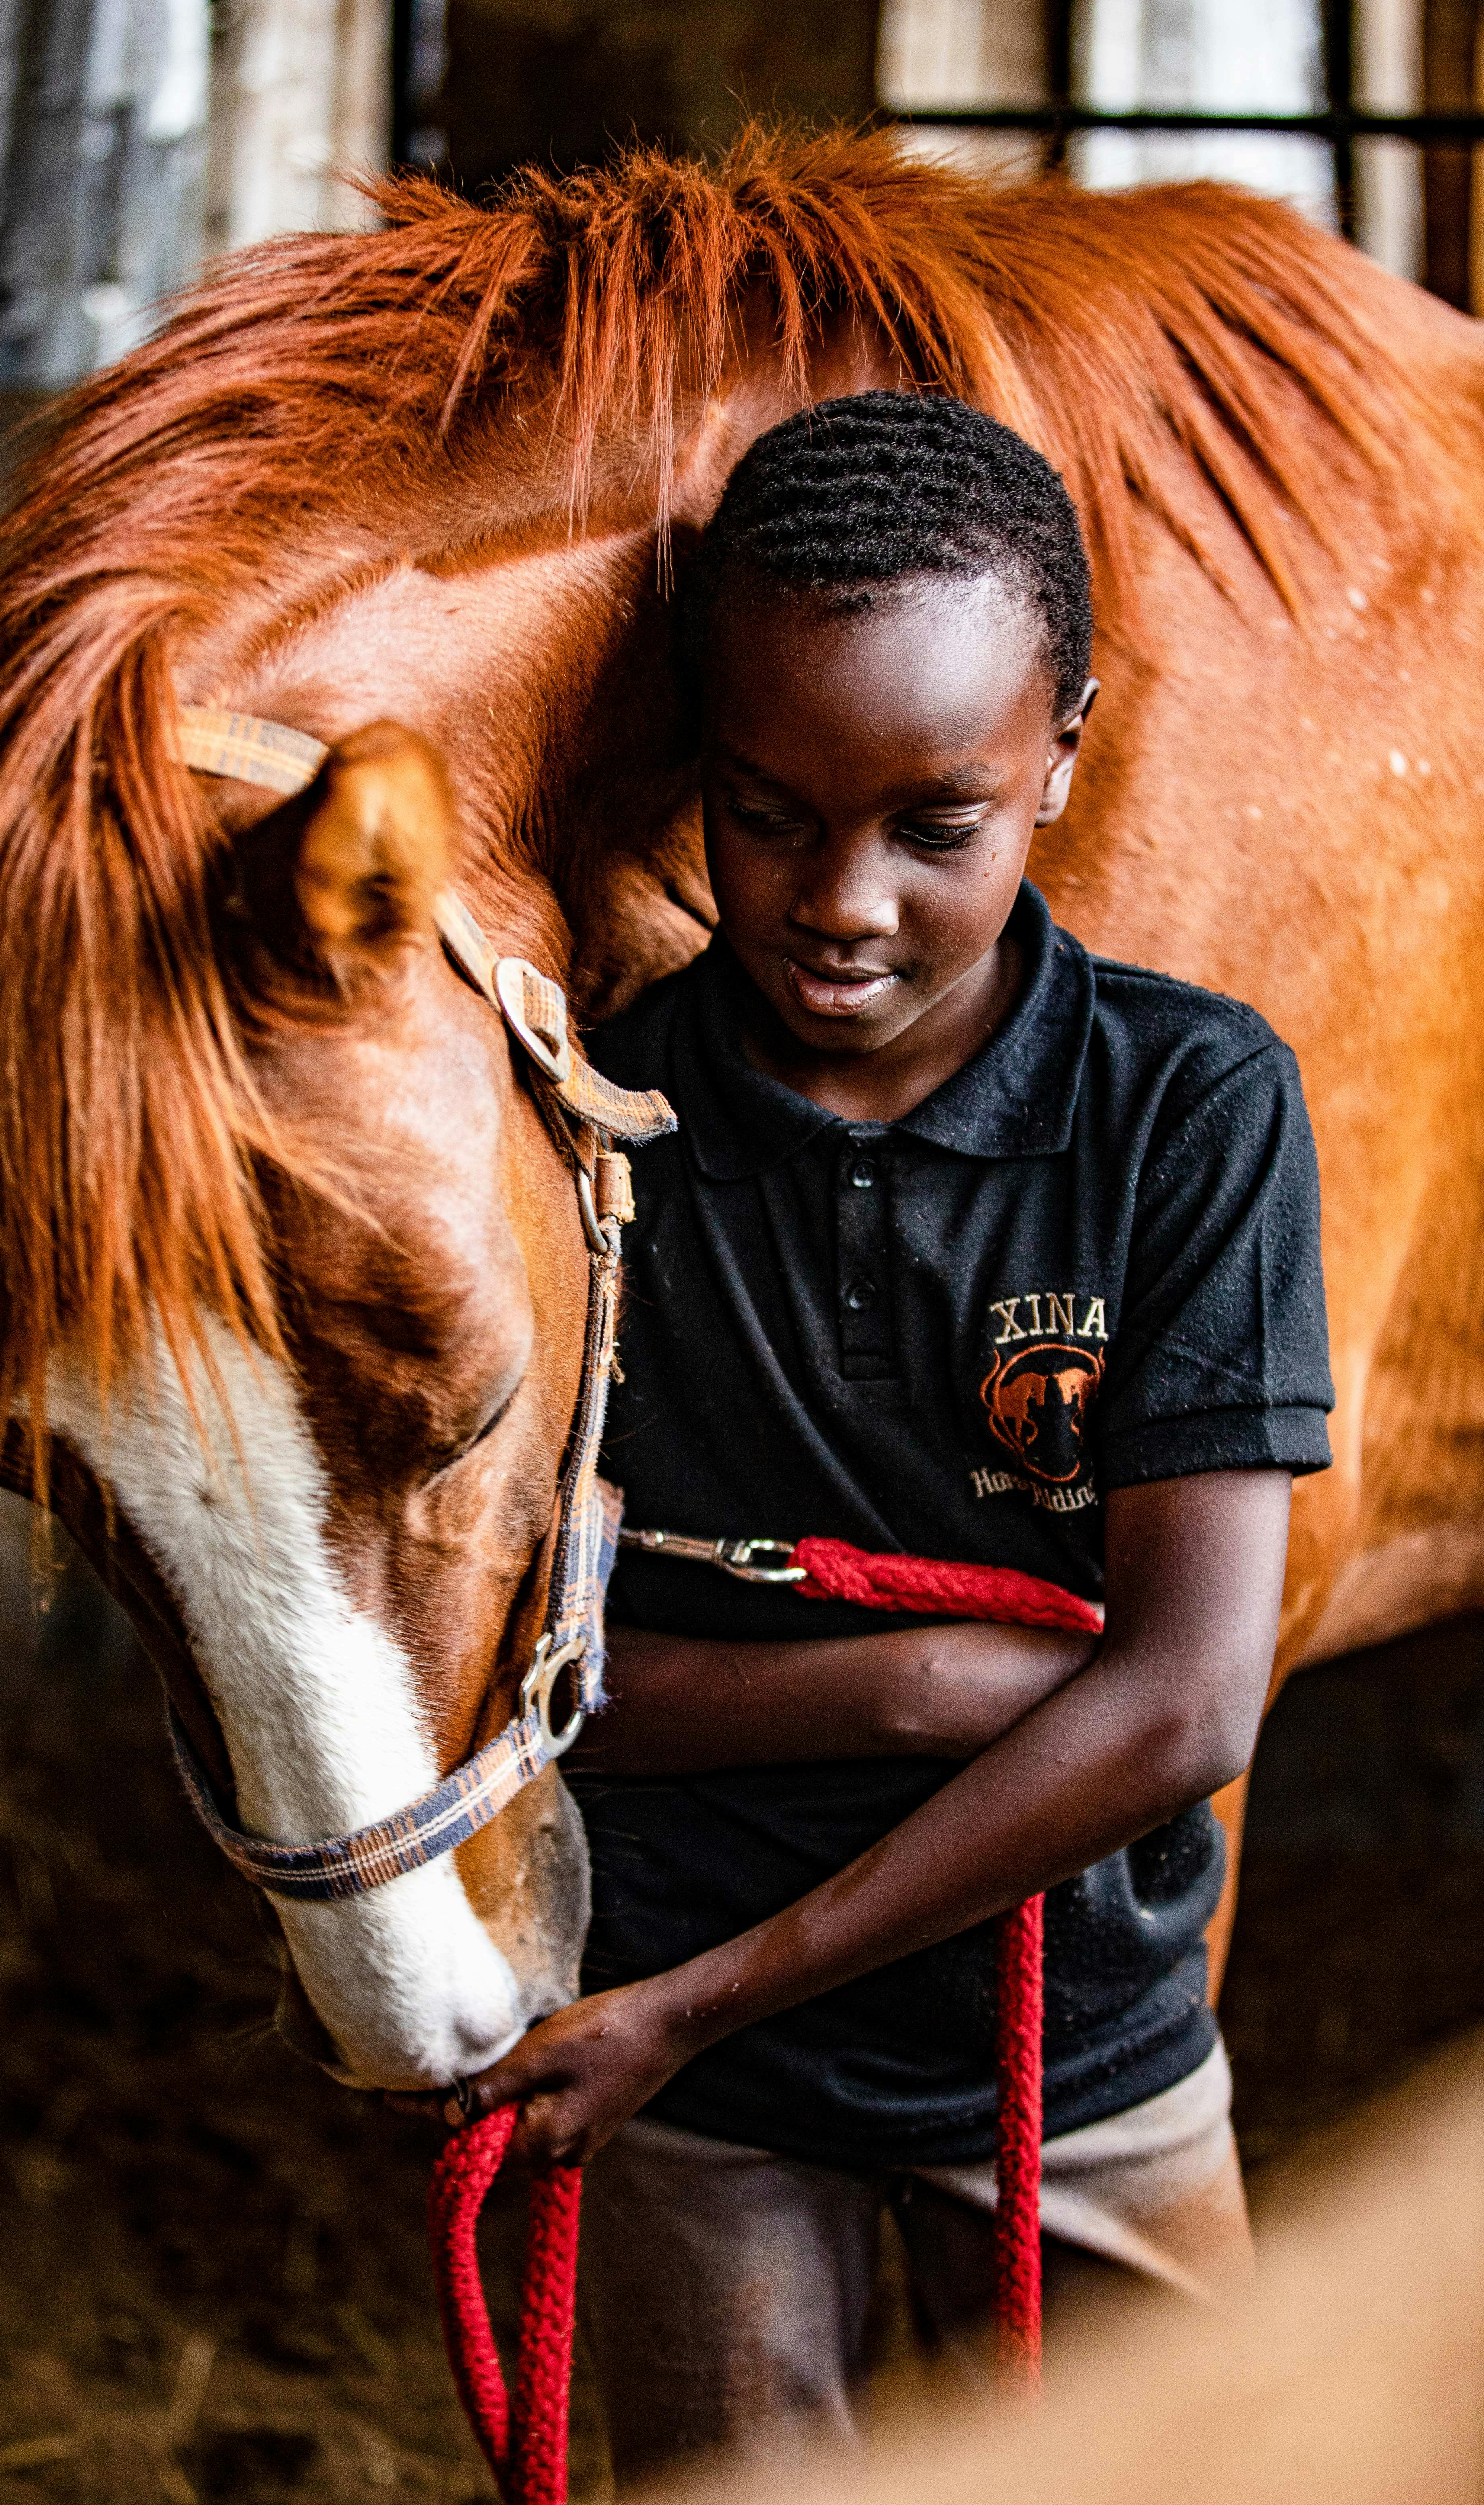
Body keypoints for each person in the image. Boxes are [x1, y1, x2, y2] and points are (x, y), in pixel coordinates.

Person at [458, 392, 1334, 2476]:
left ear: (1063, 746)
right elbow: (544, 1691)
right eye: (770, 813)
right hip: (695, 2104)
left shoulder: (1189, 1112)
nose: (844, 902)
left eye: (935, 824)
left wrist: (708, 1984)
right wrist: (953, 1678)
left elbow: (1190, 1702)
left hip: (1079, 2052)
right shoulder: (600, 1131)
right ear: (700, 762)